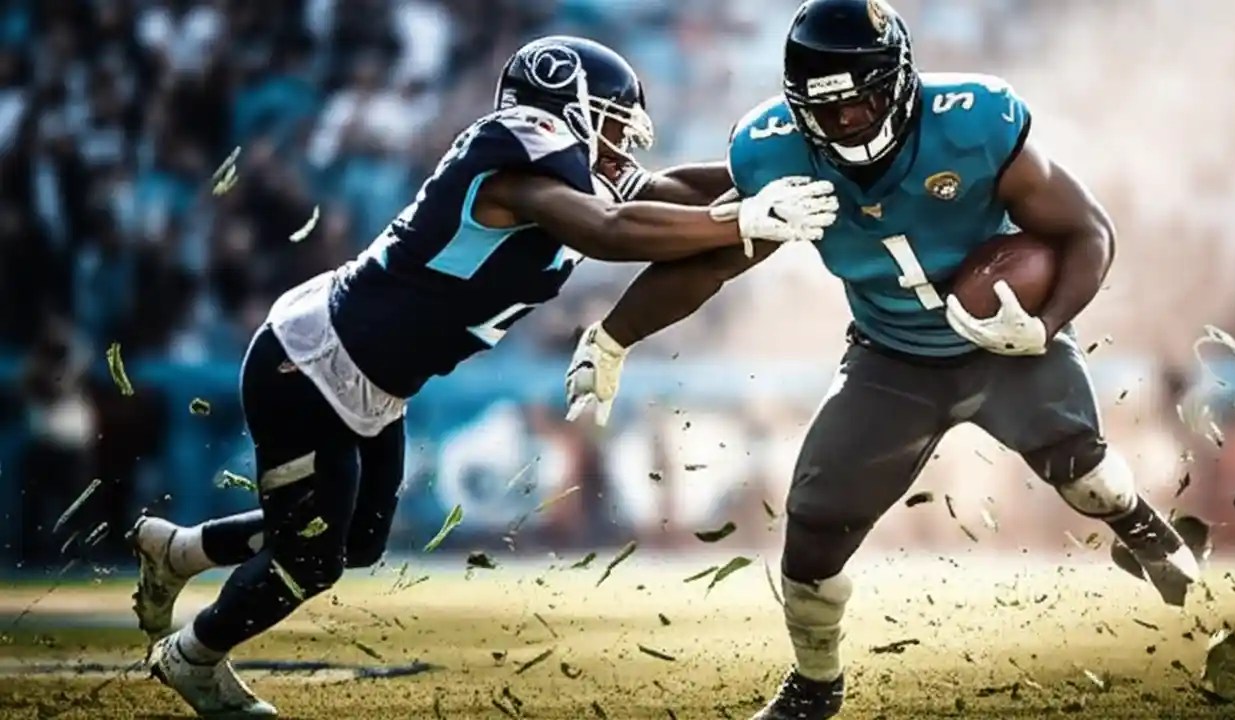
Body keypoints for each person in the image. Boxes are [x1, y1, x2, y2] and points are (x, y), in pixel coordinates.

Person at [128, 35, 836, 717]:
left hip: (369, 378)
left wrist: (775, 172)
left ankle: (180, 549)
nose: (621, 146)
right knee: (310, 560)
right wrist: (744, 219)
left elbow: (668, 189)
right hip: (308, 366)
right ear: (567, 106)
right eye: (613, 125)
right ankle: (193, 655)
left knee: (358, 542)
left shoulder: (566, 172)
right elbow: (611, 231)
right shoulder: (518, 161)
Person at [561, 4, 1202, 719]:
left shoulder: (976, 121)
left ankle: (1141, 526)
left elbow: (1088, 230)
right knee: (811, 529)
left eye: (862, 102)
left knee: (1083, 472)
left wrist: (1048, 324)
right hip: (890, 359)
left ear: (899, 82)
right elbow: (714, 261)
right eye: (826, 113)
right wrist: (616, 333)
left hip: (1002, 346)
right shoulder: (775, 152)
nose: (848, 126)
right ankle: (814, 686)